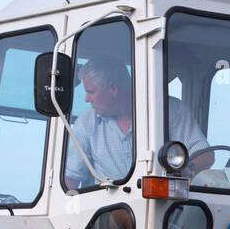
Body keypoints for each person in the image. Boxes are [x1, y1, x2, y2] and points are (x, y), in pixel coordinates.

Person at [64, 56, 214, 189]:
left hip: (166, 203)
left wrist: (186, 170)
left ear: (113, 88)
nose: (86, 99)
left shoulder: (170, 110)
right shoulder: (87, 122)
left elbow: (204, 155)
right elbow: (70, 178)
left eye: (90, 92)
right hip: (109, 207)